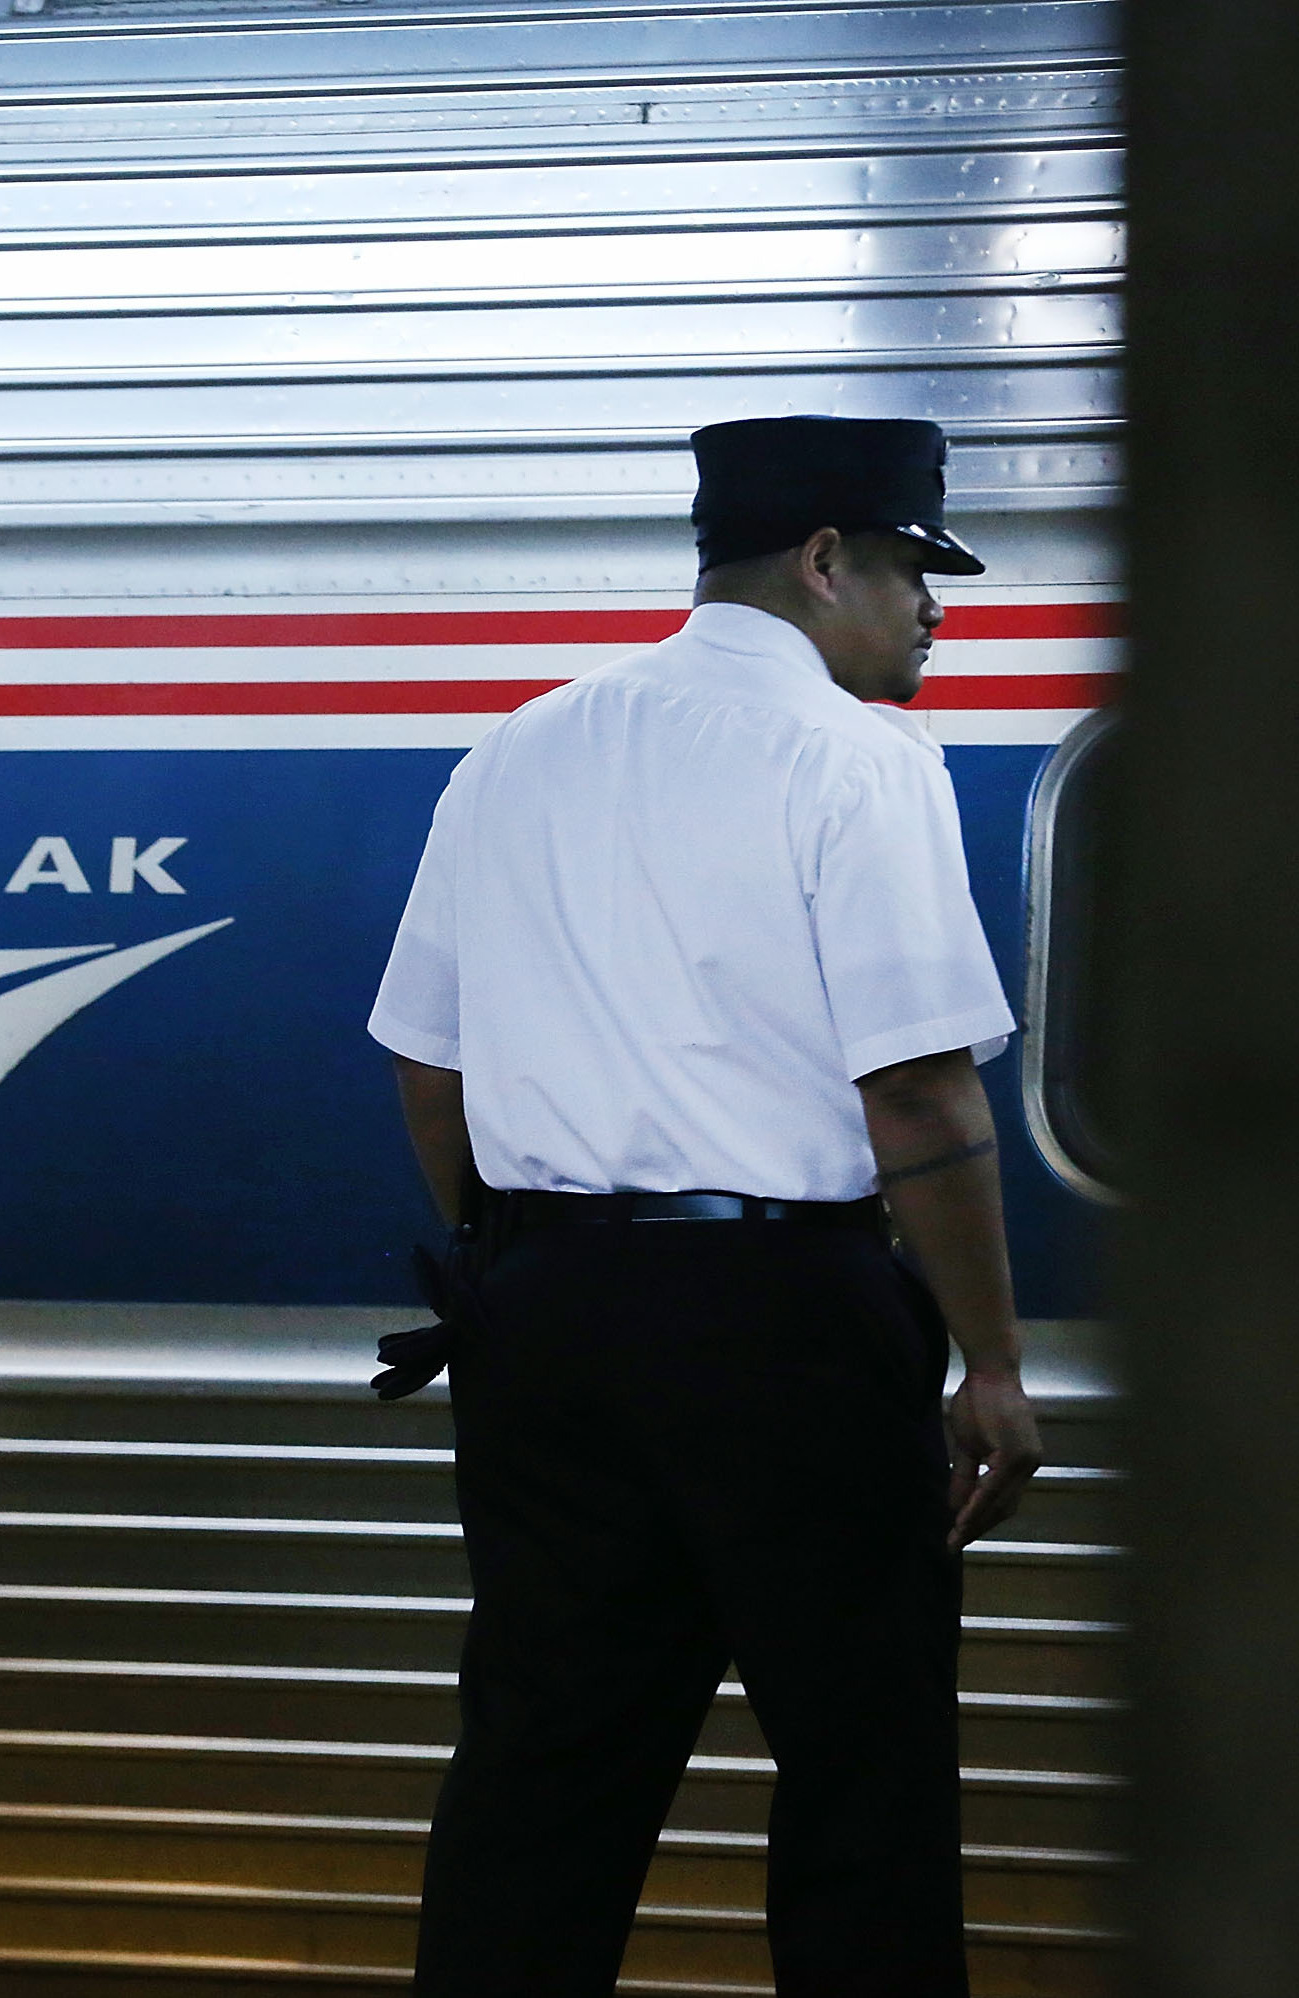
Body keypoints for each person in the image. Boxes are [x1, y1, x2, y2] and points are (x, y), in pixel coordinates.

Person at [367, 414, 1046, 1997]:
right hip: (786, 1321)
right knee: (862, 1778)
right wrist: (992, 1363)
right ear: (824, 563)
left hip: (541, 1321)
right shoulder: (856, 756)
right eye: (907, 570)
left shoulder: (518, 746)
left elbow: (423, 1057)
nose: (931, 608)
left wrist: (513, 1253)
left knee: (541, 1779)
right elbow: (921, 1095)